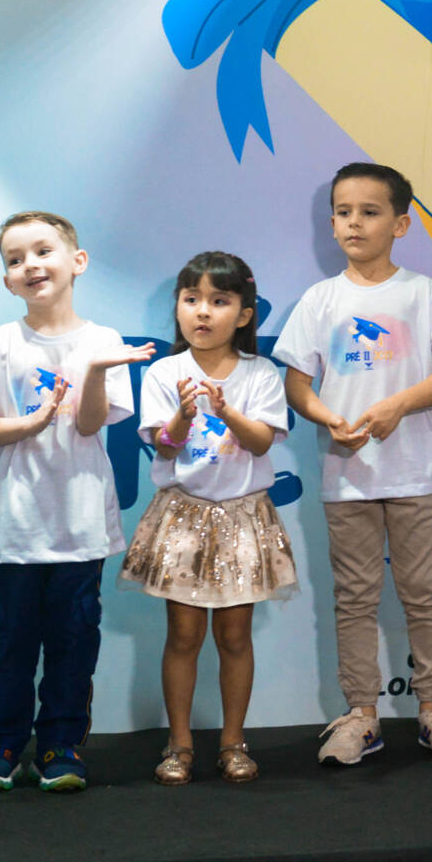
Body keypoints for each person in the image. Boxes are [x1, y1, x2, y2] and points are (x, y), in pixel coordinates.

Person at [277, 163, 432, 766]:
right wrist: (325, 415)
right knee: (356, 598)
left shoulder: (420, 293)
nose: (353, 222)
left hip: (415, 474)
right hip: (348, 476)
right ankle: (361, 715)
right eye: (342, 211)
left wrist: (398, 405)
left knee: (424, 593)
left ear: (401, 223)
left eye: (369, 211)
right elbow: (297, 385)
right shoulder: (321, 299)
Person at [0, 211, 154, 793]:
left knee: (74, 642)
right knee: (11, 644)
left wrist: (93, 370)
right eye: (15, 260)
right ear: (5, 280)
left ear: (78, 260)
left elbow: (92, 424)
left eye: (43, 251)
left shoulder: (102, 342)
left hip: (79, 525)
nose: (31, 266)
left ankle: (61, 747)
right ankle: (0, 745)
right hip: (15, 525)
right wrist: (28, 423)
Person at [119, 251, 298, 784]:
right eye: (191, 299)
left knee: (236, 636)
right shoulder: (163, 372)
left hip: (244, 517)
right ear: (177, 307)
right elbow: (167, 447)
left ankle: (232, 742)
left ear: (243, 314)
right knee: (182, 634)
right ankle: (178, 746)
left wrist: (225, 410)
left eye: (219, 301)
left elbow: (263, 440)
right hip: (182, 518)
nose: (203, 312)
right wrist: (184, 414)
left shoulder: (262, 372)